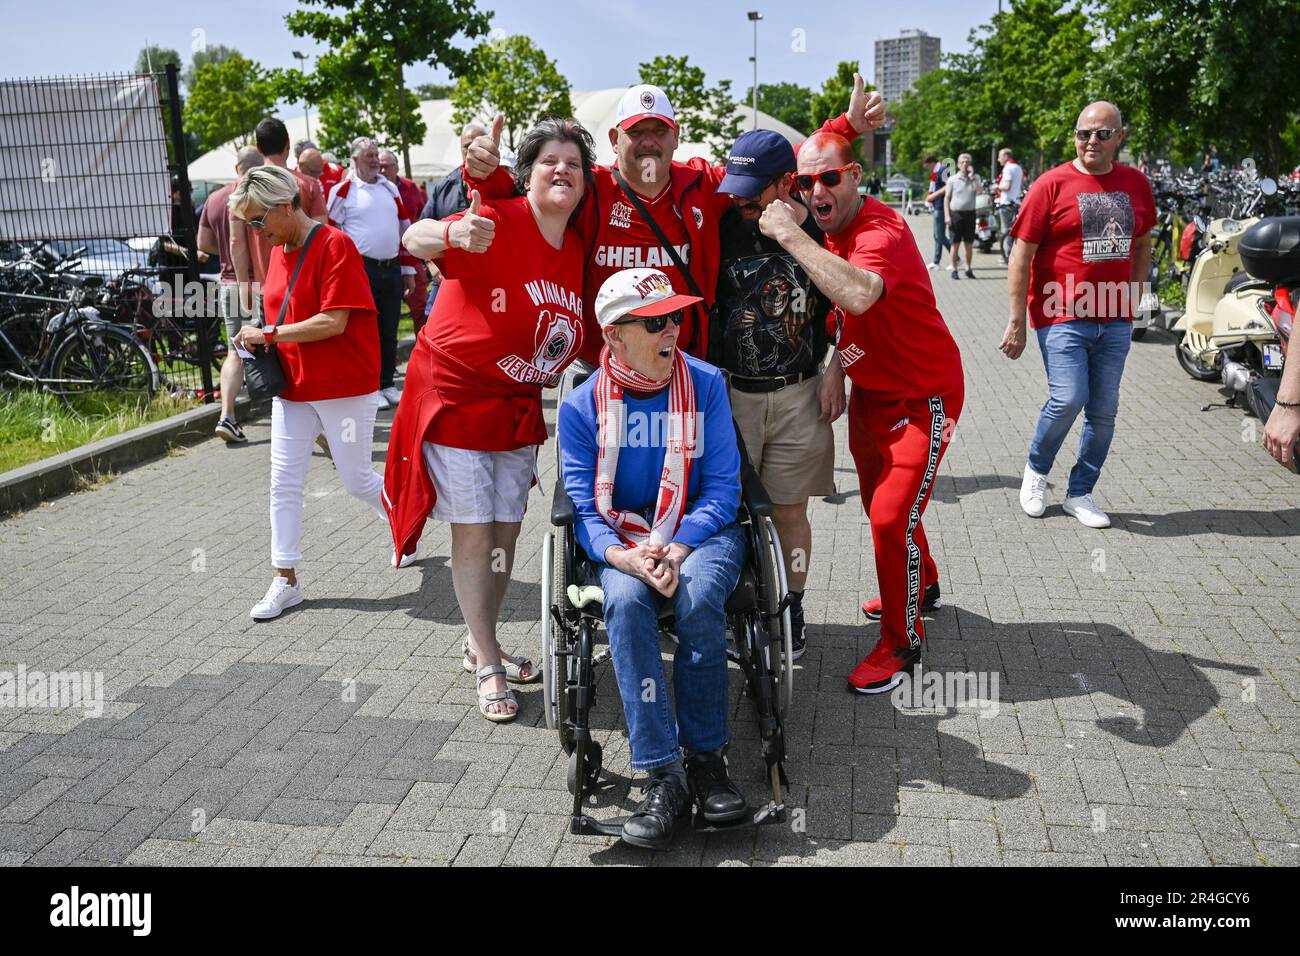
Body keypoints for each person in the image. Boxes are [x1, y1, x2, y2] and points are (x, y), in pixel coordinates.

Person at [388, 117, 594, 722]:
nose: (562, 170)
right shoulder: (497, 218)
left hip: (519, 402)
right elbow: (414, 239)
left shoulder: (576, 245)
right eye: (549, 161)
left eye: (574, 164)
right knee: (474, 529)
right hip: (457, 395)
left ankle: (484, 639)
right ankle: (486, 659)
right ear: (527, 176)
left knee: (506, 531)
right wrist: (454, 232)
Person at [465, 77, 885, 364]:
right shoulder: (587, 188)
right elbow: (523, 202)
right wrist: (485, 172)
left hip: (680, 372)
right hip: (600, 373)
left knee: (679, 491)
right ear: (615, 140)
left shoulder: (702, 184)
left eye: (658, 130)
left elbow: (770, 161)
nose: (648, 141)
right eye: (636, 131)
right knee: (586, 495)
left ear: (676, 136)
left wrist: (845, 128)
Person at [758, 131, 964, 694]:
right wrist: (837, 368)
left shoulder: (882, 230)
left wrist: (787, 234)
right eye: (805, 182)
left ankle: (902, 642)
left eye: (828, 178)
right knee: (882, 506)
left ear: (854, 177)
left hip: (924, 397)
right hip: (872, 393)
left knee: (890, 518)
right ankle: (923, 585)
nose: (815, 190)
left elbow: (858, 296)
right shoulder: (834, 222)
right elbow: (850, 321)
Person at [559, 267, 748, 850]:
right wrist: (629, 557)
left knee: (694, 595)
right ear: (614, 336)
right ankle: (665, 772)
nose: (673, 329)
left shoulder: (708, 383)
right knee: (623, 602)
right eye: (656, 321)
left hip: (701, 532)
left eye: (676, 316)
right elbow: (584, 513)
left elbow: (722, 488)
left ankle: (708, 760)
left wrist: (680, 543)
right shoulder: (581, 408)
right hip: (622, 541)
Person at [226, 166, 387, 620]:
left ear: (284, 205)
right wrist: (256, 334)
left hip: (343, 386)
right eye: (251, 224)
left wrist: (271, 333)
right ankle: (285, 579)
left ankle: (403, 520)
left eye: (259, 220)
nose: (258, 232)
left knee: (356, 480)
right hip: (294, 387)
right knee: (283, 482)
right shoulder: (279, 248)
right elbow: (282, 312)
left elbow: (333, 322)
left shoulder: (336, 245)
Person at [710, 129, 843, 660]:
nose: (741, 199)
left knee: (790, 512)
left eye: (754, 190)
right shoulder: (722, 225)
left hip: (798, 393)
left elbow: (853, 293)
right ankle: (736, 603)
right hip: (730, 393)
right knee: (729, 510)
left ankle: (791, 606)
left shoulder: (820, 227)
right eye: (735, 187)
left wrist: (838, 366)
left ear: (787, 183)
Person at [999, 101, 1155, 529]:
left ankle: (1080, 492)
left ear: (1119, 137)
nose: (1092, 141)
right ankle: (1035, 471)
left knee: (1103, 410)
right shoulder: (1050, 185)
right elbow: (1021, 254)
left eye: (1102, 134)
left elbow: (1142, 245)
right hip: (1061, 312)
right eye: (1084, 133)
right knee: (1069, 397)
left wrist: (1137, 297)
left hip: (1115, 318)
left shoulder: (1136, 185)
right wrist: (1016, 320)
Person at [326, 136, 418, 408]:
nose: (375, 160)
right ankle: (370, 386)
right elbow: (331, 233)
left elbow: (404, 229)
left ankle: (387, 383)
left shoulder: (390, 188)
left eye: (376, 155)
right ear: (354, 159)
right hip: (361, 269)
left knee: (389, 329)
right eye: (369, 156)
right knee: (366, 330)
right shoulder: (343, 191)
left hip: (390, 268)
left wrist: (408, 269)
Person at [198, 146, 264, 443]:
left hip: (227, 283)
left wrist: (224, 255)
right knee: (280, 348)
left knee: (235, 351)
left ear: (236, 166)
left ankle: (228, 415)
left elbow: (204, 244)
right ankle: (307, 421)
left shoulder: (214, 198)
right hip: (256, 283)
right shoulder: (257, 194)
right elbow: (240, 242)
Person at [418, 123, 486, 326]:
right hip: (448, 278)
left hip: (489, 280)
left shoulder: (506, 184)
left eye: (478, 143)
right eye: (467, 145)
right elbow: (424, 226)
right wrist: (431, 265)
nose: (472, 150)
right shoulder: (445, 186)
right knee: (434, 324)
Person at [378, 148, 431, 329]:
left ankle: (423, 350)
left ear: (397, 168)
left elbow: (423, 216)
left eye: (387, 166)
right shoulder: (374, 189)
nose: (383, 171)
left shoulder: (410, 187)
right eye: (380, 167)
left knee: (421, 309)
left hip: (412, 257)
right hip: (386, 259)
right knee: (385, 314)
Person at [256, 118, 327, 224]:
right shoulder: (309, 185)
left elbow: (236, 239)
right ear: (288, 144)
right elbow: (322, 233)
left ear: (258, 148)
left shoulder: (243, 186)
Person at [944, 153, 982, 279]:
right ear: (958, 164)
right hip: (956, 215)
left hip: (970, 214)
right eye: (962, 162)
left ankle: (968, 268)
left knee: (969, 244)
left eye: (967, 162)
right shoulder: (953, 179)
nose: (965, 164)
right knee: (955, 244)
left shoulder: (975, 178)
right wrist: (947, 216)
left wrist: (972, 178)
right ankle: (954, 269)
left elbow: (980, 191)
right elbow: (947, 199)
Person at [922, 154, 951, 270]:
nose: (927, 169)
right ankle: (936, 261)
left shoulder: (942, 170)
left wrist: (933, 196)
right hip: (937, 205)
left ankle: (956, 258)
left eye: (927, 166)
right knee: (937, 235)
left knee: (940, 236)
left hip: (942, 206)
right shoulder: (937, 171)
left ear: (931, 163)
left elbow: (948, 186)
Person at [996, 147, 1025, 265]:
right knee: (1013, 231)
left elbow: (1007, 186)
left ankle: (1006, 256)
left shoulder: (1008, 168)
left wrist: (996, 187)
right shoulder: (1018, 167)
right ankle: (1013, 255)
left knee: (1005, 231)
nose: (998, 160)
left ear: (1006, 156)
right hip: (1016, 203)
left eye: (1000, 157)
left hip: (1007, 203)